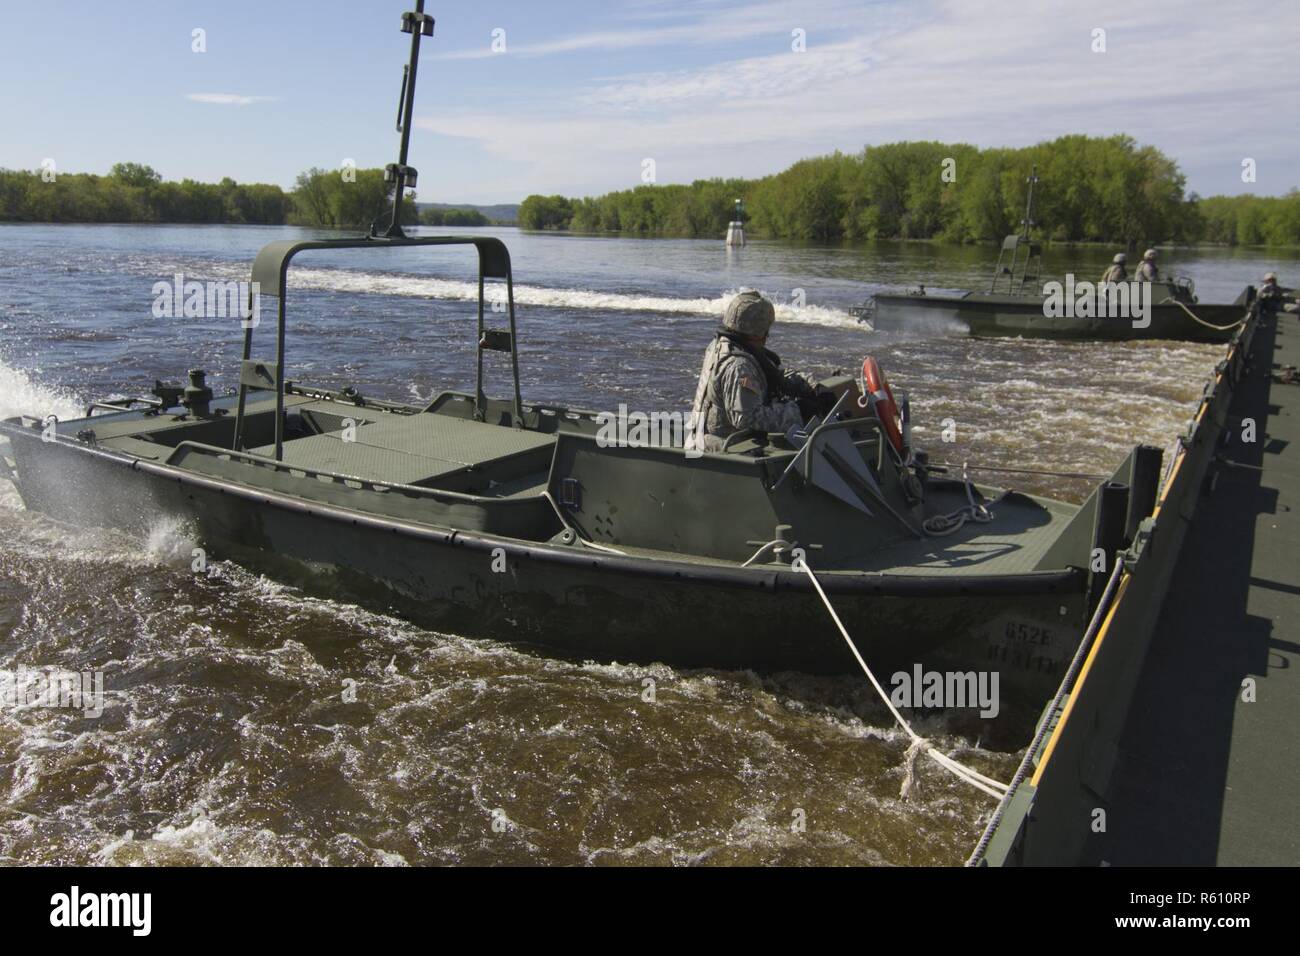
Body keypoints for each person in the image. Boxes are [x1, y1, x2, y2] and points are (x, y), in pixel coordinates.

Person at [685, 291, 825, 453]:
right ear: (758, 332)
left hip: (716, 439)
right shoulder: (738, 366)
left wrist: (811, 386)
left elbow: (775, 374)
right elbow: (746, 417)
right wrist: (798, 412)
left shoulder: (722, 345)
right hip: (724, 448)